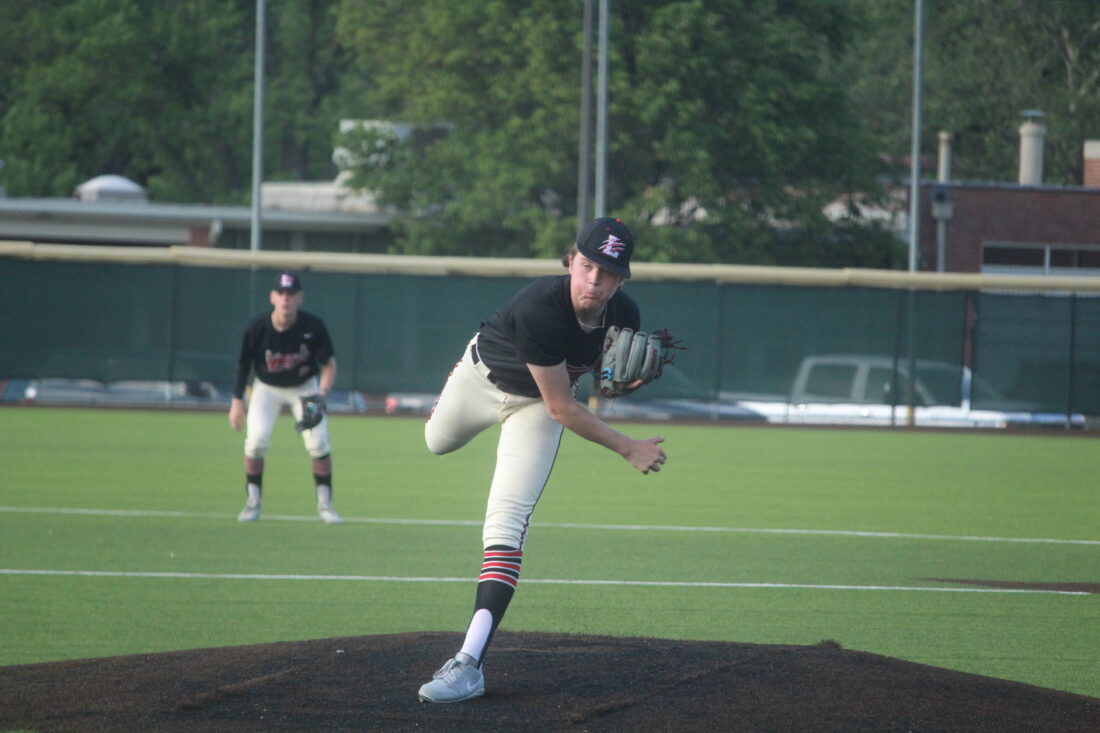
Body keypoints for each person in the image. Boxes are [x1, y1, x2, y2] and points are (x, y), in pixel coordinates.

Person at [417, 217, 667, 703]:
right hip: (480, 380)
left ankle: (467, 665)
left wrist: (617, 385)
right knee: (436, 442)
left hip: (535, 408)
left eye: (609, 273)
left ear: (621, 281)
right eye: (588, 266)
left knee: (507, 524)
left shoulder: (624, 314)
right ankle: (448, 398)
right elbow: (563, 408)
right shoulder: (540, 307)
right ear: (571, 261)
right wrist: (628, 446)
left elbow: (595, 386)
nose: (595, 280)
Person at [228, 271, 343, 524]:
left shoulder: (312, 326)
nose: (285, 298)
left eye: (291, 294)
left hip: (304, 387)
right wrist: (237, 401)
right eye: (280, 293)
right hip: (266, 388)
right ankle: (253, 501)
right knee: (255, 443)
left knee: (319, 443)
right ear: (272, 297)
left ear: (300, 298)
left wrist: (321, 395)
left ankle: (325, 504)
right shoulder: (257, 328)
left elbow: (329, 365)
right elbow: (243, 365)